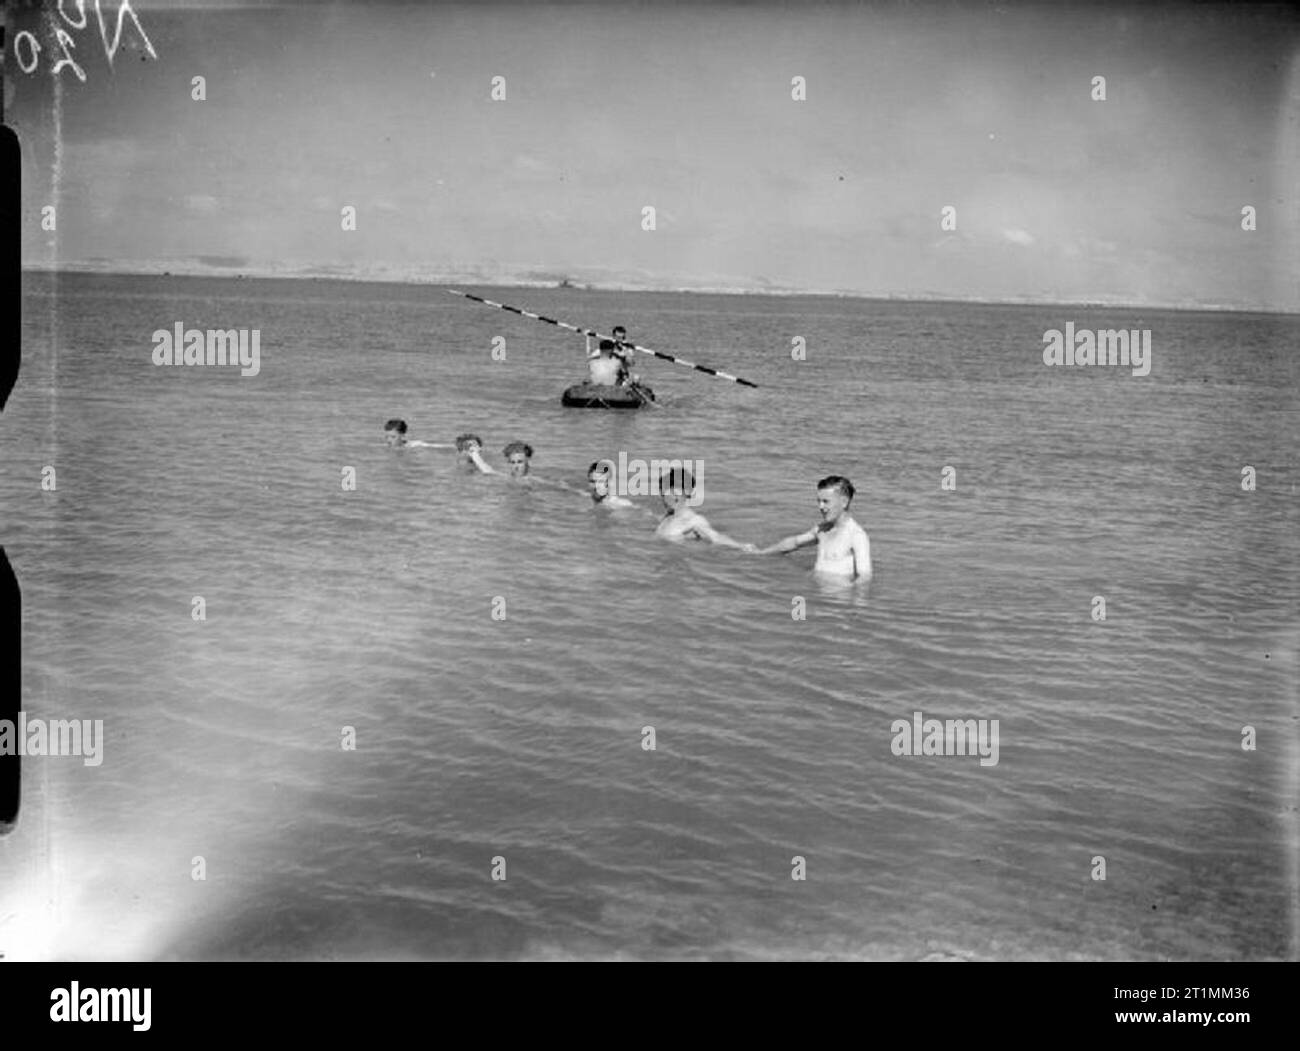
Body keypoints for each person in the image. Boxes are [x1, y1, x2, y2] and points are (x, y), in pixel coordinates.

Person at [756, 475, 871, 580]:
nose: (820, 506)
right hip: (816, 596)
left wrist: (855, 601)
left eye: (826, 501)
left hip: (835, 599)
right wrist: (762, 553)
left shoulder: (856, 536)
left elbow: (864, 577)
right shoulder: (822, 529)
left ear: (844, 502)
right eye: (819, 501)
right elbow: (793, 543)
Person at [655, 467, 752, 548]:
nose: (664, 498)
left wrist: (742, 546)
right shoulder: (667, 517)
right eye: (662, 493)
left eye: (671, 492)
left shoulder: (693, 520)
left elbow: (716, 537)